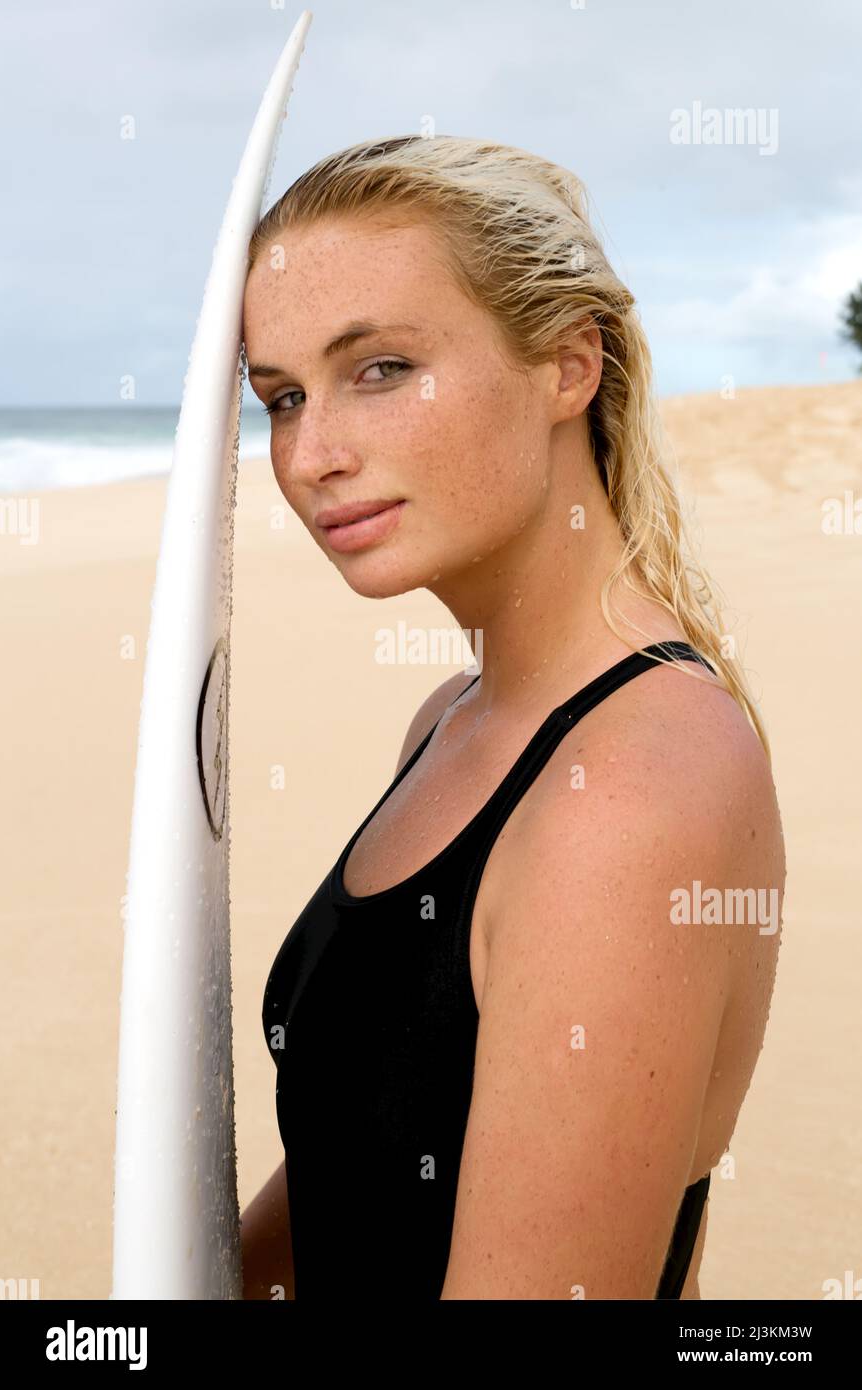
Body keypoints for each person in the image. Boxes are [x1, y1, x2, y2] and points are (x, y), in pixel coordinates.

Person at [238, 134, 785, 1300]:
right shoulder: (451, 720)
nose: (311, 454)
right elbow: (361, 1167)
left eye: (379, 367)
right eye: (280, 397)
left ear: (564, 365)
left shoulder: (634, 784)